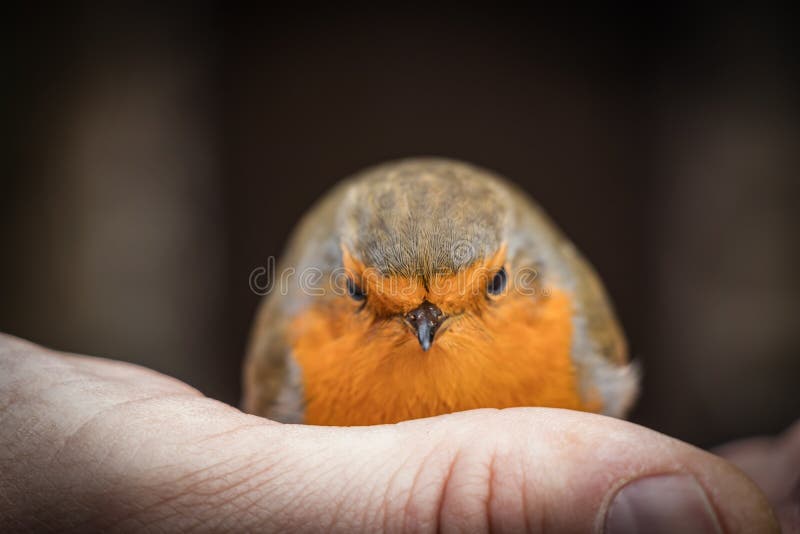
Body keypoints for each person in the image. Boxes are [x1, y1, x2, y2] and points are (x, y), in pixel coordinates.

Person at [0, 333, 794, 532]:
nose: (423, 329)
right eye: (368, 298)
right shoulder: (300, 351)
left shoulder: (571, 332)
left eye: (478, 292)